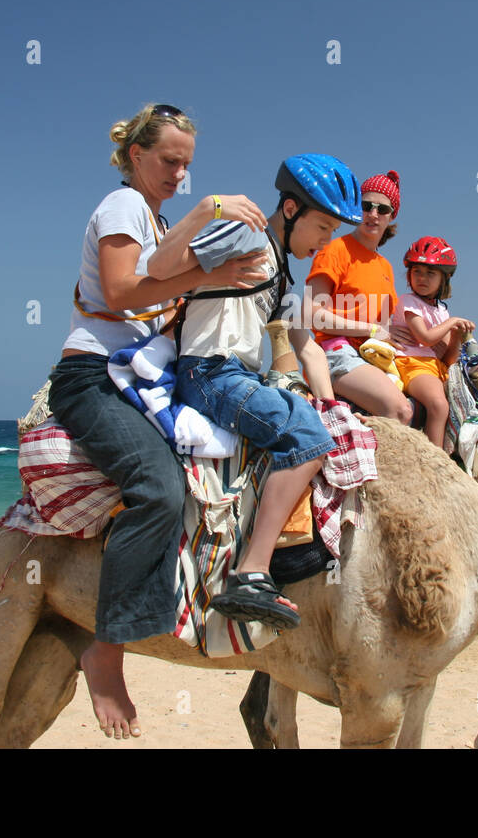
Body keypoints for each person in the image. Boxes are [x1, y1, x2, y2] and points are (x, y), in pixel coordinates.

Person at [47, 103, 270, 740]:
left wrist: (220, 277)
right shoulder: (121, 209)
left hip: (134, 372)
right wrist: (207, 226)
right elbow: (120, 295)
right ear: (136, 155)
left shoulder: (153, 217)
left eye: (187, 165)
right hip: (92, 376)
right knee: (160, 489)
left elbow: (160, 296)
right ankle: (106, 651)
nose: (179, 173)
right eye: (170, 161)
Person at [159, 153, 363, 628]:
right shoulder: (248, 232)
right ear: (290, 210)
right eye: (324, 227)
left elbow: (305, 346)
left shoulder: (283, 269)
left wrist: (328, 402)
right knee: (306, 438)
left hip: (241, 375)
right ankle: (251, 573)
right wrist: (208, 211)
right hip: (210, 372)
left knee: (321, 419)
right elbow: (162, 267)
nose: (325, 241)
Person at [307, 169, 413, 422]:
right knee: (400, 410)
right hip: (336, 352)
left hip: (374, 354)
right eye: (366, 206)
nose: (373, 214)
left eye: (382, 209)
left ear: (391, 216)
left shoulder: (385, 266)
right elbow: (312, 316)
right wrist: (372, 330)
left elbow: (388, 325)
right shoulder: (334, 250)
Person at [388, 236, 476, 447]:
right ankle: (436, 460)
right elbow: (425, 338)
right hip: (413, 364)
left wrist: (456, 335)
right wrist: (453, 322)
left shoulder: (442, 310)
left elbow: (446, 356)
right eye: (417, 271)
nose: (422, 278)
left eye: (430, 273)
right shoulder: (409, 302)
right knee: (438, 405)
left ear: (443, 279)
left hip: (435, 366)